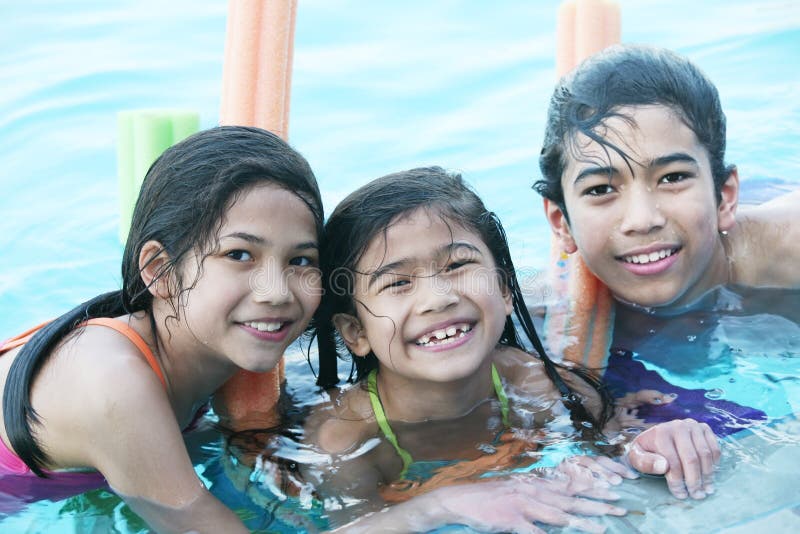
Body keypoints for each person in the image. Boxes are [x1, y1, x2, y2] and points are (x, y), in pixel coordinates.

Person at [300, 167, 718, 533]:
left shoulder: (540, 384)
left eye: (457, 265)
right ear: (356, 333)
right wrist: (441, 503)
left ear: (502, 289)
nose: (438, 298)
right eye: (397, 283)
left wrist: (656, 444)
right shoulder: (343, 439)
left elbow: (612, 449)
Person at [0, 126, 325, 531]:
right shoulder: (114, 381)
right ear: (159, 271)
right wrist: (423, 509)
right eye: (239, 254)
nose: (276, 293)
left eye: (301, 260)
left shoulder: (220, 335)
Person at [534, 45, 799, 439]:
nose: (642, 220)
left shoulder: (787, 248)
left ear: (724, 196)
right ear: (562, 224)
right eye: (601, 189)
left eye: (673, 177)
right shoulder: (537, 316)